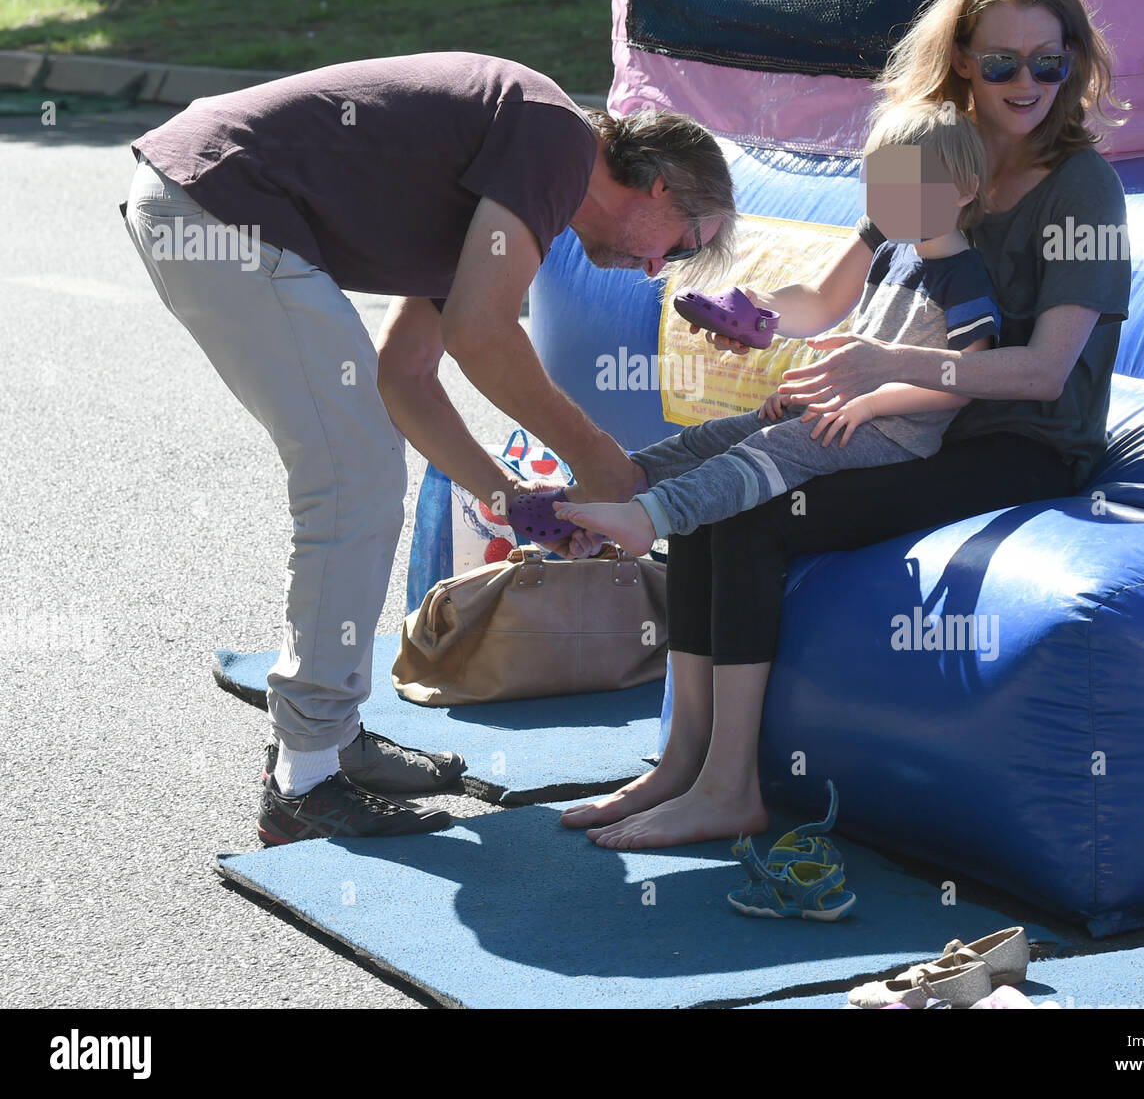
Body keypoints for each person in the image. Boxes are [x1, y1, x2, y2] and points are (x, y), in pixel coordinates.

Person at [559, 0, 1132, 850]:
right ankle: (679, 761)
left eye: (1050, 62)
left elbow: (1044, 371)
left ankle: (728, 785)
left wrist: (881, 370)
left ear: (1074, 60)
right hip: (902, 418)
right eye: (1003, 62)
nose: (1028, 84)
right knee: (719, 501)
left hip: (1013, 443)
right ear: (963, 62)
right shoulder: (928, 158)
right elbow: (824, 302)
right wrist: (754, 318)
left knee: (752, 513)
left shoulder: (1081, 187)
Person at [121, 51, 736, 844]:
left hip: (200, 198)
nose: (659, 267)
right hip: (216, 202)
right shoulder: (555, 140)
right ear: (658, 184)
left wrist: (511, 498)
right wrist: (596, 457)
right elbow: (481, 336)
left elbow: (407, 373)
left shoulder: (518, 188)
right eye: (683, 243)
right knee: (351, 479)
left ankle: (330, 740)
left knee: (363, 472)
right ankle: (305, 779)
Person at [555, 102, 1002, 554]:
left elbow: (963, 379)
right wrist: (789, 357)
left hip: (894, 431)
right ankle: (604, 490)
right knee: (708, 438)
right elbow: (826, 307)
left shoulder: (962, 277)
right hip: (843, 407)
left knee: (765, 452)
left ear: (965, 191)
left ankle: (650, 517)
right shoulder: (890, 249)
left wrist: (869, 404)